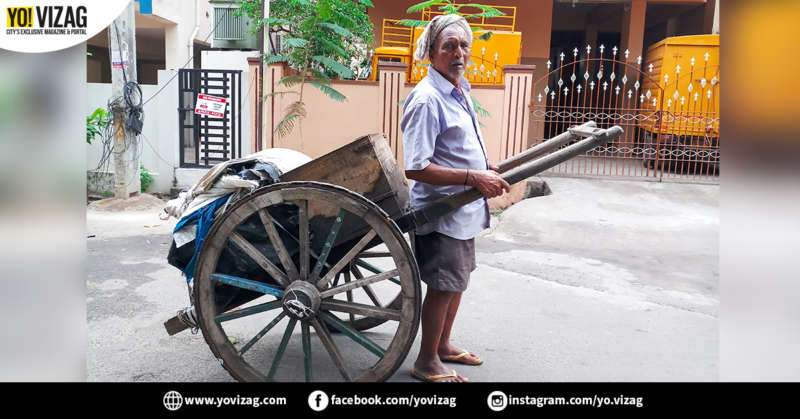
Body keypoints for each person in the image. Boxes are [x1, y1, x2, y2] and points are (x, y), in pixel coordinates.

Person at [400, 14, 510, 383]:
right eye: (449, 46)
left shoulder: (458, 89)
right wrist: (472, 176)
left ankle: (443, 345)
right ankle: (426, 361)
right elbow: (415, 167)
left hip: (462, 210)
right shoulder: (427, 99)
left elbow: (462, 146)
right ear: (431, 52)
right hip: (441, 211)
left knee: (457, 282)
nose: (458, 52)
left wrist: (486, 167)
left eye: (464, 45)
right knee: (444, 285)